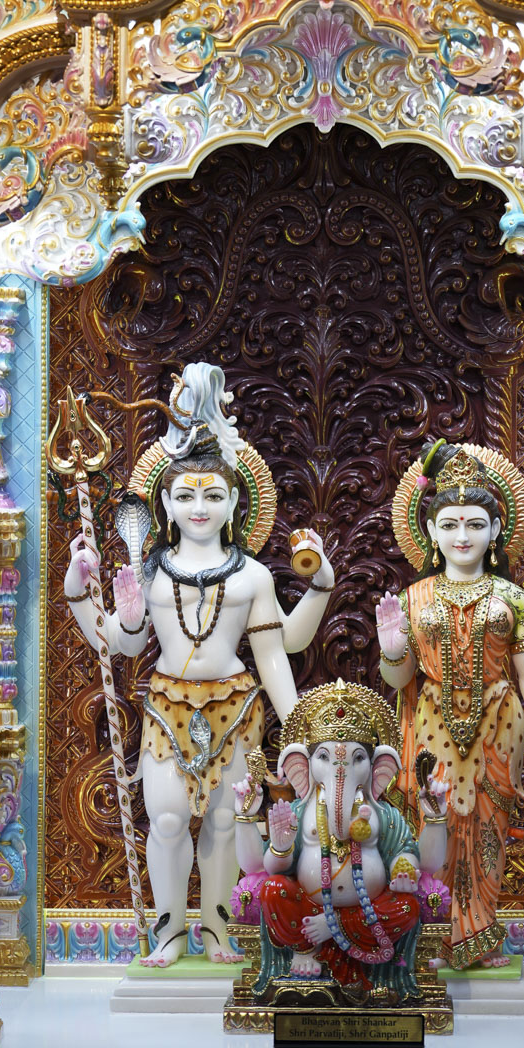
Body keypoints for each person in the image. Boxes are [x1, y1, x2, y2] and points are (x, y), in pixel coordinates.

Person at [64, 363, 333, 966]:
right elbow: (123, 644)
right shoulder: (150, 570)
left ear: (235, 501)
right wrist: (81, 592)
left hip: (235, 706)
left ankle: (216, 930)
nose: (199, 507)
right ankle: (168, 931)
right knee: (164, 820)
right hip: (168, 706)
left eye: (213, 495)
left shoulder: (252, 575)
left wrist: (319, 590)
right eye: (185, 495)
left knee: (224, 822)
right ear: (164, 502)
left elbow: (281, 649)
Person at [376, 441, 524, 969]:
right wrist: (392, 649)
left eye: (476, 524)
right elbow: (400, 678)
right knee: (431, 821)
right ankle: (431, 935)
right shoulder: (414, 598)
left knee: (488, 828)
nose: (463, 536)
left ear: (496, 530)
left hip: (498, 725)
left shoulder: (513, 597)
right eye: (451, 525)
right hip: (430, 720)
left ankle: (478, 932)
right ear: (431, 531)